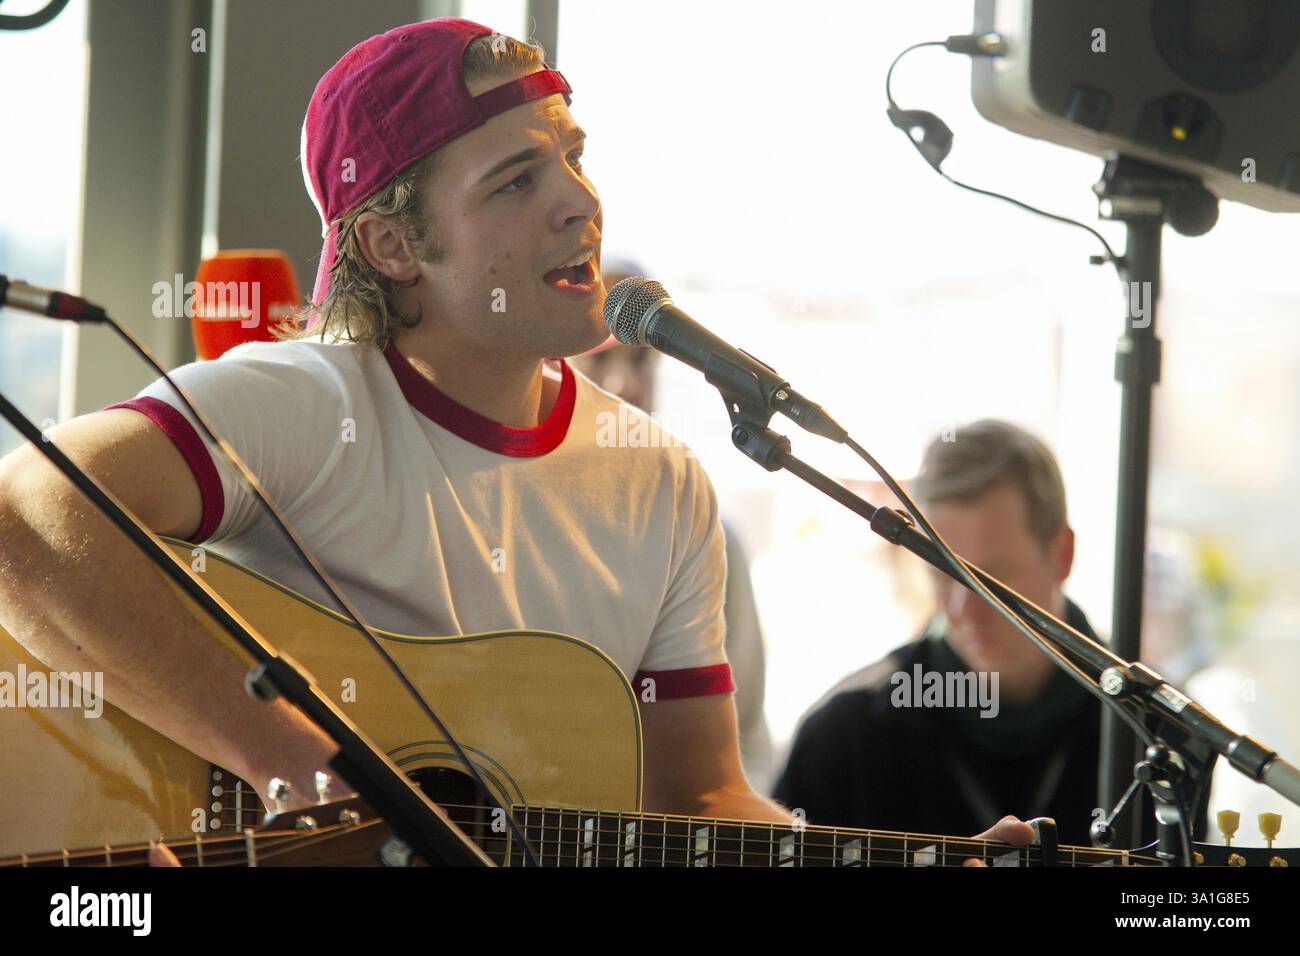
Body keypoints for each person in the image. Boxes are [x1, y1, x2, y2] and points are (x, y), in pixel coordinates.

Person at [0, 18, 1031, 862]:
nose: (577, 204)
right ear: (394, 245)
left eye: (573, 160)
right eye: (514, 181)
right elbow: (27, 523)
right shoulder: (307, 402)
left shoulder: (660, 482)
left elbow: (699, 795)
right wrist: (298, 766)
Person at [774, 419, 1208, 847]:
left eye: (990, 579)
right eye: (943, 574)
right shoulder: (842, 736)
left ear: (1062, 555)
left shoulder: (1163, 736)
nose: (964, 609)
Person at [569, 270, 776, 792]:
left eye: (638, 359)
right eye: (600, 358)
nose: (623, 382)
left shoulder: (708, 535)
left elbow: (746, 742)